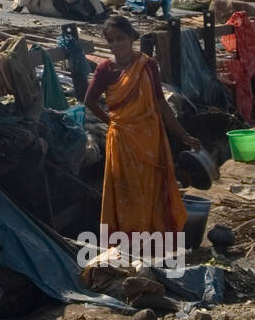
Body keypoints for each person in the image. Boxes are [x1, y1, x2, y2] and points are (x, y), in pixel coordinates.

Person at [84, 15, 199, 241]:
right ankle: (127, 244)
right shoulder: (105, 70)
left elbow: (161, 103)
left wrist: (184, 135)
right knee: (126, 192)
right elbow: (89, 101)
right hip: (121, 142)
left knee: (151, 191)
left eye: (121, 38)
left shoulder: (147, 65)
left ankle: (153, 242)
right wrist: (112, 122)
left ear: (132, 38)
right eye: (111, 40)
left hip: (149, 139)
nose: (116, 44)